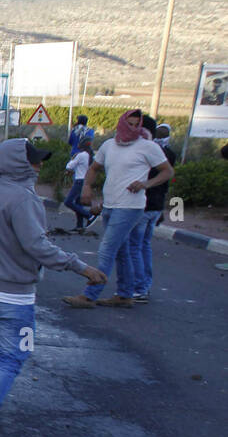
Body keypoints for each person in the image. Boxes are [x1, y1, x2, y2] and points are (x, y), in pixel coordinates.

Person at [0, 139, 105, 437]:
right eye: (34, 161)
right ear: (18, 164)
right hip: (14, 295)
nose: (39, 166)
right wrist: (81, 267)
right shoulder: (24, 199)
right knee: (12, 358)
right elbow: (38, 247)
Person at [62, 109, 173, 309]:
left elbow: (167, 172)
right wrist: (87, 187)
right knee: (122, 251)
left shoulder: (147, 147)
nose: (132, 128)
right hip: (111, 205)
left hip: (131, 207)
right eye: (129, 123)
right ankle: (124, 295)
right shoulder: (109, 146)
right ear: (121, 123)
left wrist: (145, 184)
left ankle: (89, 295)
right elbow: (94, 168)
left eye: (136, 125)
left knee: (107, 249)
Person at [127, 115, 176, 302]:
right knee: (144, 246)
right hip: (156, 206)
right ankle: (144, 285)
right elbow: (167, 181)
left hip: (144, 205)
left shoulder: (147, 151)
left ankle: (139, 287)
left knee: (134, 247)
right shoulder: (168, 152)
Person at [62, 139, 93, 230]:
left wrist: (73, 158)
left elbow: (69, 166)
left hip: (79, 181)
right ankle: (79, 225)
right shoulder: (89, 155)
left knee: (68, 202)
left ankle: (89, 216)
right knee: (78, 203)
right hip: (85, 181)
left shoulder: (81, 155)